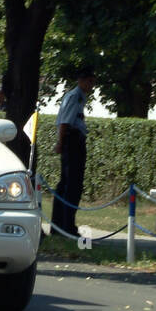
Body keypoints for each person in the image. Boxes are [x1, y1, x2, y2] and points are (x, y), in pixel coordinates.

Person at [52, 63, 95, 238]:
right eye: (89, 81)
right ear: (81, 80)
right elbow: (65, 123)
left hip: (74, 141)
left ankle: (61, 225)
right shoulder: (74, 97)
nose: (91, 85)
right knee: (71, 185)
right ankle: (65, 226)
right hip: (72, 142)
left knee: (69, 184)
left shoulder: (79, 97)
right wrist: (61, 143)